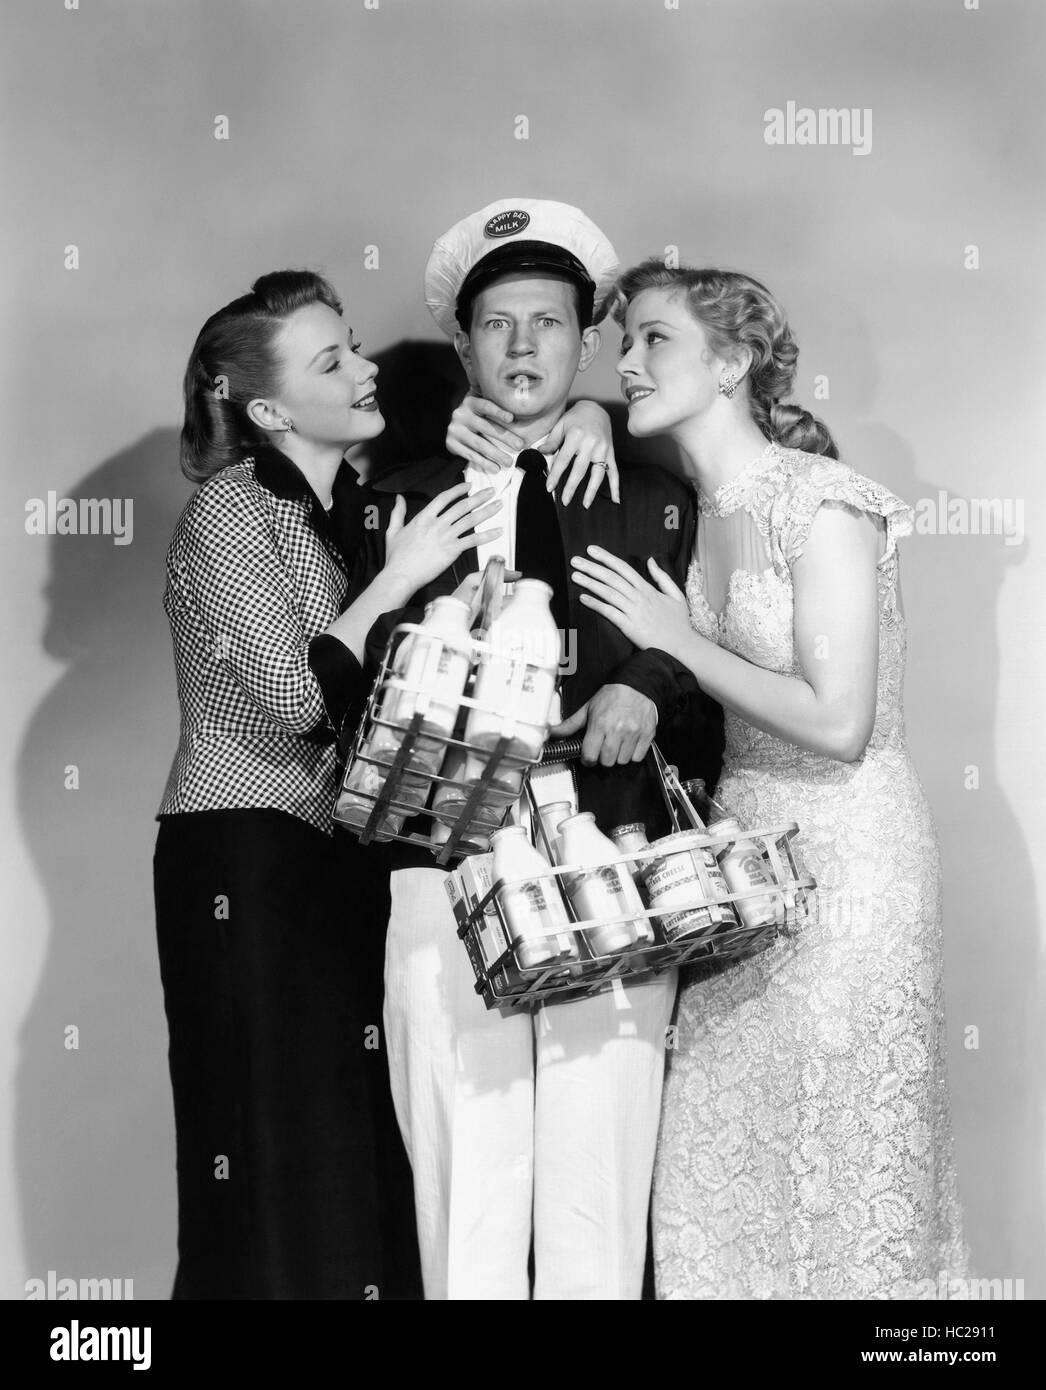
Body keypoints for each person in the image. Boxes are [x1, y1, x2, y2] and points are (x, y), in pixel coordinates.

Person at [570, 260, 970, 1299]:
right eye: (623, 345)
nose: (626, 362)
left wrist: (673, 641)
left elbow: (839, 723)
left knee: (840, 1151)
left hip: (850, 862)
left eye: (654, 340)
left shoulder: (821, 501)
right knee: (721, 1160)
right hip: (741, 876)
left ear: (733, 362)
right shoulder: (675, 507)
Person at [347, 199, 723, 1300]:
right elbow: (344, 685)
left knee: (595, 1195)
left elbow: (715, 667)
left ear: (585, 340)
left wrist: (646, 691)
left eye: (549, 323)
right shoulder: (400, 503)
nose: (523, 347)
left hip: (611, 857)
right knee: (468, 1182)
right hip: (449, 866)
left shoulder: (659, 498)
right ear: (461, 346)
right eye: (499, 324)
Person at [154, 268, 506, 1299]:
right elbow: (289, 698)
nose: (362, 368)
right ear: (267, 410)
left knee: (344, 1130)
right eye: (331, 360)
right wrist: (396, 583)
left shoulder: (348, 504)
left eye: (352, 345)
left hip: (336, 856)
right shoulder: (230, 512)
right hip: (245, 852)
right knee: (264, 1131)